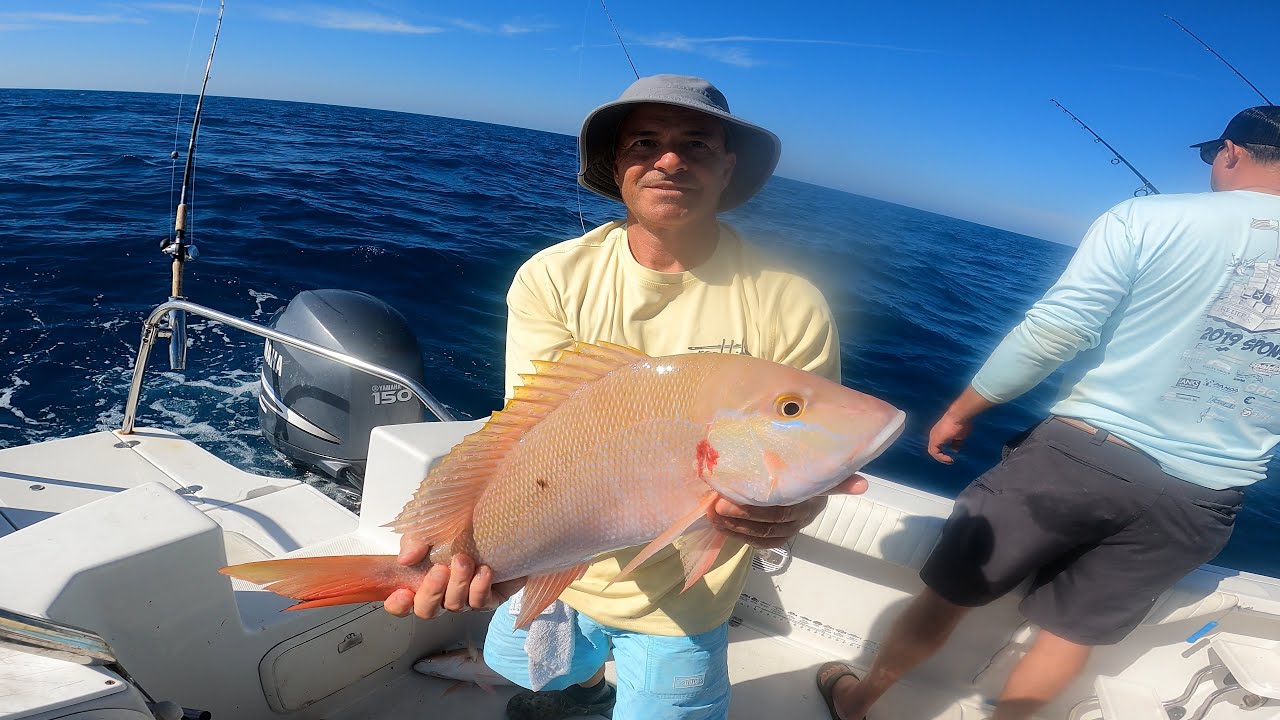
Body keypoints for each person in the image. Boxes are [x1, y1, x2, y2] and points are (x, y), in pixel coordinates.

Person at [383, 74, 865, 719]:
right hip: (558, 578)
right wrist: (470, 546)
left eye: (696, 144)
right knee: (531, 672)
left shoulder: (791, 302)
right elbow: (531, 435)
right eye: (646, 142)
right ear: (618, 164)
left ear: (726, 168)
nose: (670, 160)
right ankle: (581, 687)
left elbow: (796, 463)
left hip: (687, 602)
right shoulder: (553, 278)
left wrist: (790, 514)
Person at [814, 105, 1280, 720]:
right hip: (1205, 497)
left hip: (1083, 457)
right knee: (1071, 636)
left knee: (949, 596)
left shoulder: (1147, 216)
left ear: (1230, 150)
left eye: (1210, 158)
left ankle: (859, 702)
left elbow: (1058, 330)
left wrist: (966, 406)